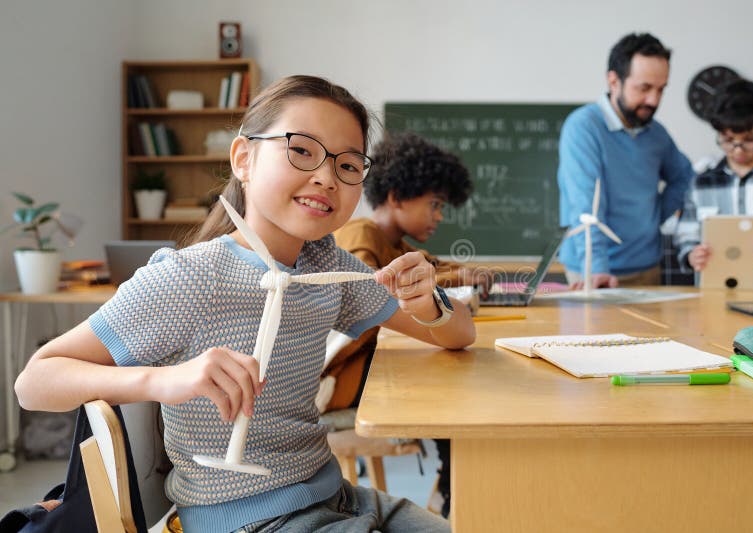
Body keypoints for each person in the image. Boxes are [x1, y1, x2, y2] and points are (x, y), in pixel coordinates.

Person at [15, 75, 476, 533]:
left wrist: (429, 302)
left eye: (348, 165)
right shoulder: (190, 277)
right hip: (249, 520)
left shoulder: (328, 267)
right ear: (244, 158)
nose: (326, 177)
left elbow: (459, 335)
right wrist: (166, 379)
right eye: (301, 150)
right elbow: (35, 382)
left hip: (337, 496)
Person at [333, 131, 484, 519]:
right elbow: (371, 291)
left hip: (370, 367)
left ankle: (452, 486)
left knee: (452, 375)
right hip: (346, 378)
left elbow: (434, 271)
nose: (439, 215)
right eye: (434, 204)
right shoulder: (362, 234)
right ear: (397, 196)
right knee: (452, 385)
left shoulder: (398, 244)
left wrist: (467, 274)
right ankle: (453, 490)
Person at [557, 32, 694, 289]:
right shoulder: (584, 127)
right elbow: (585, 204)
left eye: (660, 89)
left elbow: (685, 177)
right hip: (595, 272)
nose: (653, 100)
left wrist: (654, 217)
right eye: (644, 88)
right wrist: (597, 269)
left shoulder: (657, 134)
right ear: (614, 81)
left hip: (647, 268)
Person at [676, 79, 753, 293]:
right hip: (714, 300)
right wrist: (691, 255)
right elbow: (686, 237)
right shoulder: (701, 184)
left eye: (750, 139)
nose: (738, 150)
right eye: (728, 140)